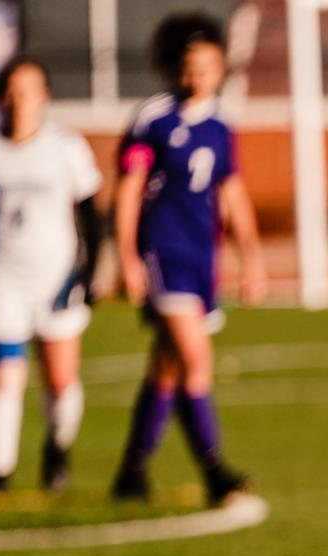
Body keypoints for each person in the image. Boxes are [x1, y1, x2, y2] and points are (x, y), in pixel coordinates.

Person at [110, 12, 264, 505]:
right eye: (189, 67)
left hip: (202, 258)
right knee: (197, 359)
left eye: (208, 67)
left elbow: (233, 192)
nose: (198, 76)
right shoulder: (153, 118)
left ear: (221, 68)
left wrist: (252, 258)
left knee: (169, 367)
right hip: (165, 253)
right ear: (176, 68)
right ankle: (214, 469)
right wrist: (129, 258)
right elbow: (129, 191)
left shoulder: (221, 126)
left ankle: (131, 472)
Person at [0, 57, 102, 493]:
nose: (17, 100)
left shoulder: (66, 147)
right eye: (9, 91)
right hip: (3, 279)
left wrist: (92, 273)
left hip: (57, 279)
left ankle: (57, 446)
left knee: (61, 380)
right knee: (4, 376)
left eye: (26, 90)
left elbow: (90, 212)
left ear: (44, 96)